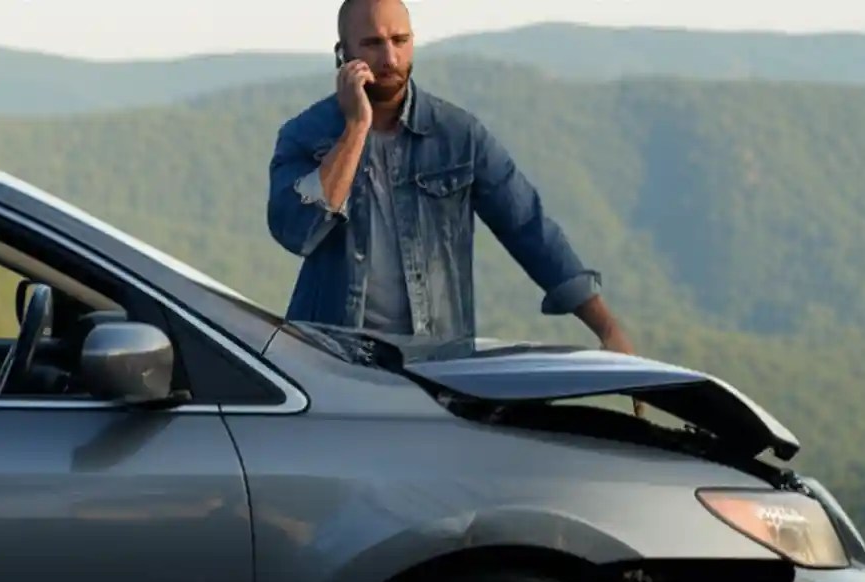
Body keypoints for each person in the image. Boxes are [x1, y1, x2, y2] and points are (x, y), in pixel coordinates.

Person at [265, 0, 638, 361]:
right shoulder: (305, 135)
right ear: (342, 54)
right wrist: (355, 128)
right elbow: (296, 231)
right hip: (330, 364)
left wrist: (607, 328)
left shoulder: (458, 136)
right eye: (372, 43)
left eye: (400, 40)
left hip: (437, 366)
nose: (390, 59)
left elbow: (527, 226)